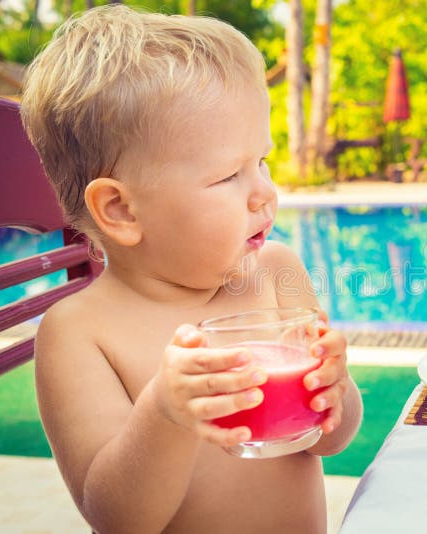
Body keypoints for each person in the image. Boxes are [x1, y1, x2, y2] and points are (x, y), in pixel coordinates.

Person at [20, 5, 362, 533]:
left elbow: (333, 440)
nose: (265, 193)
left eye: (263, 163)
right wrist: (163, 413)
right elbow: (118, 519)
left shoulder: (274, 271)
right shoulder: (79, 333)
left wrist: (336, 390)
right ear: (121, 210)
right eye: (228, 175)